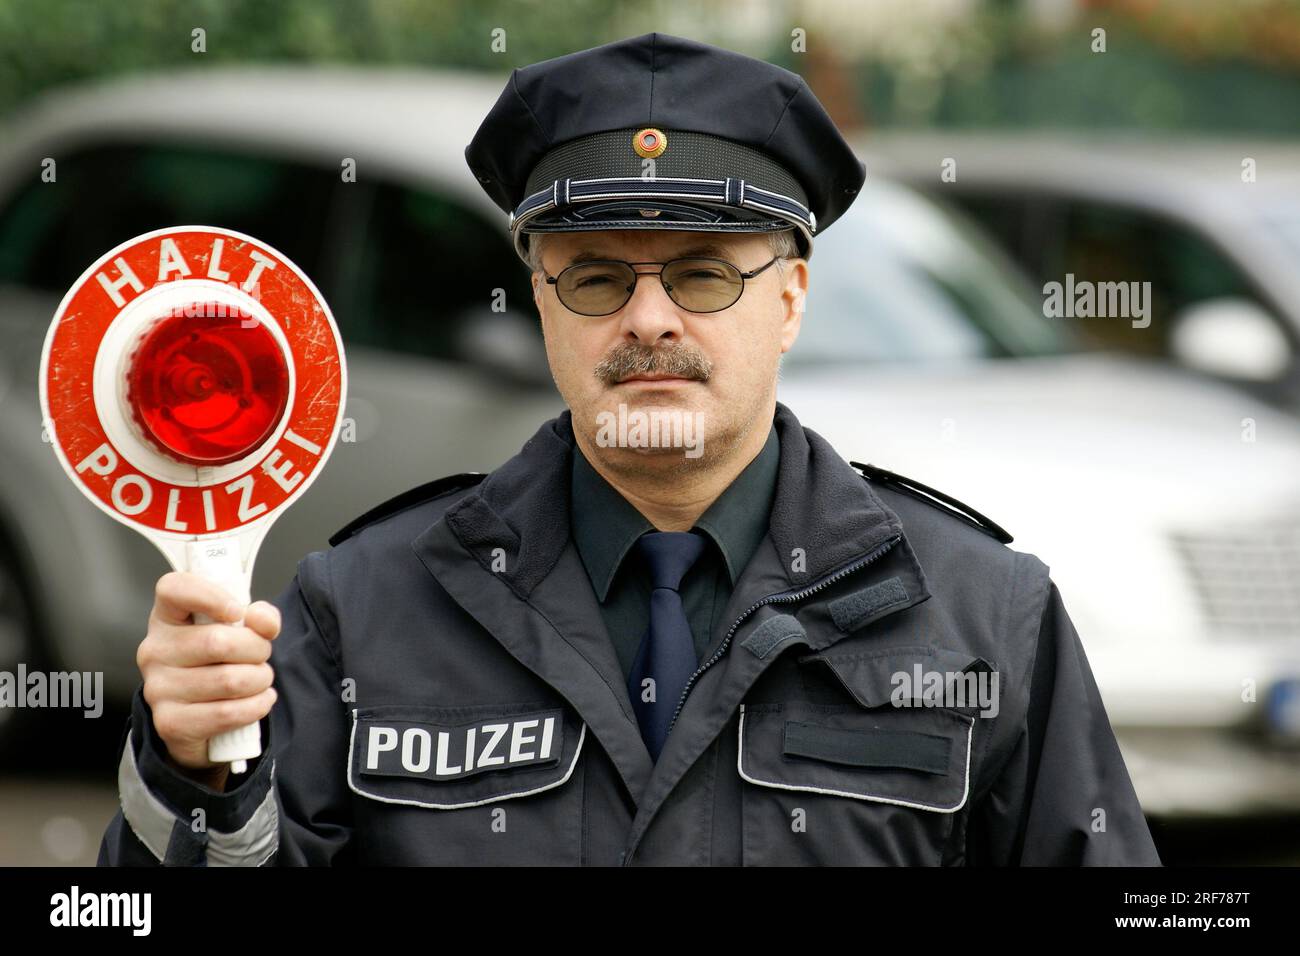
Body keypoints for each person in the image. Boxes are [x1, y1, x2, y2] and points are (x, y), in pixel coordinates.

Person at [99, 32, 1160, 866]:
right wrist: (196, 770)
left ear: (790, 300)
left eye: (701, 275)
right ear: (540, 303)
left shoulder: (983, 615)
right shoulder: (360, 608)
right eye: (598, 276)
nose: (648, 319)